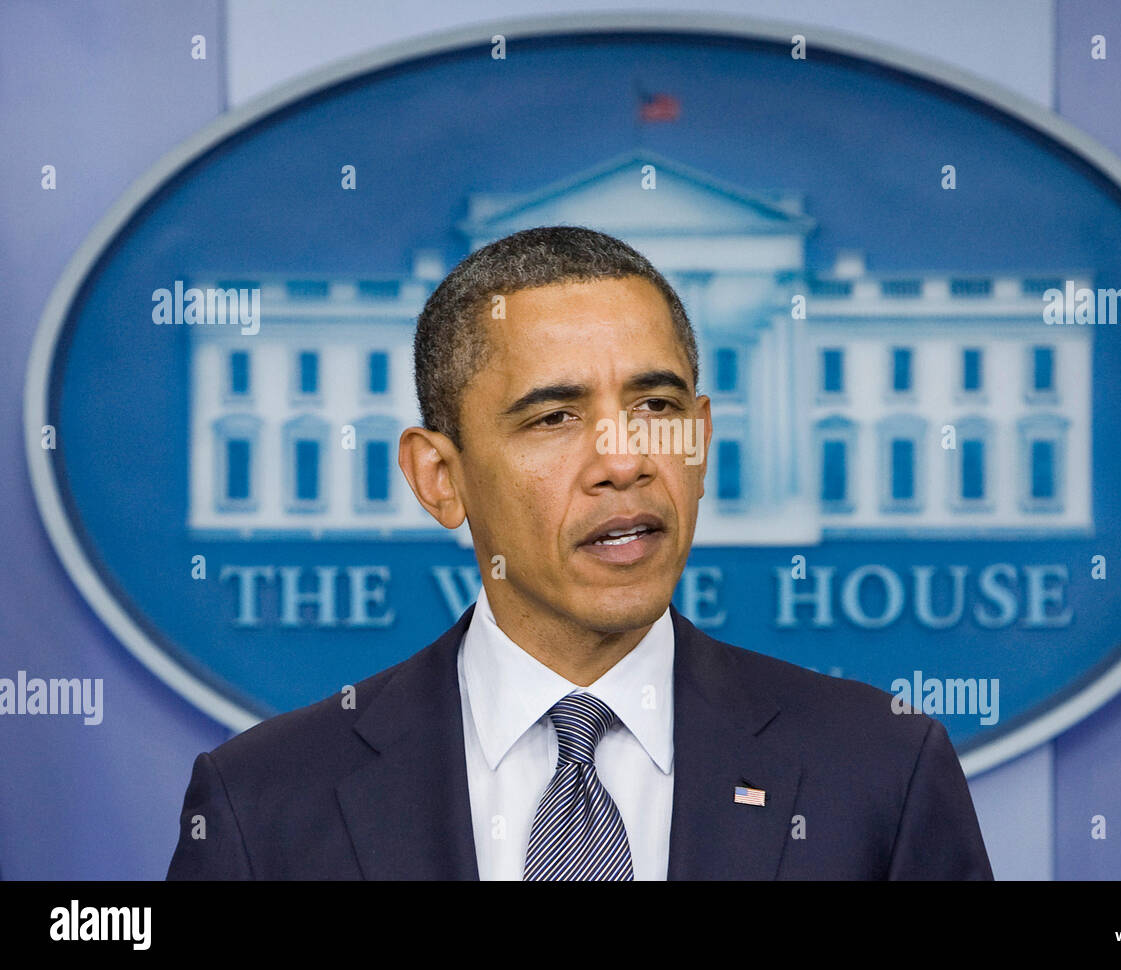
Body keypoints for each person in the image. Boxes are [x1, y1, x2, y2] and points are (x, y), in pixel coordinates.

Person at [166, 225, 994, 880]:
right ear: (440, 478)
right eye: (554, 418)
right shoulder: (262, 805)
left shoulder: (883, 771)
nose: (625, 460)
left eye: (657, 405)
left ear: (700, 443)